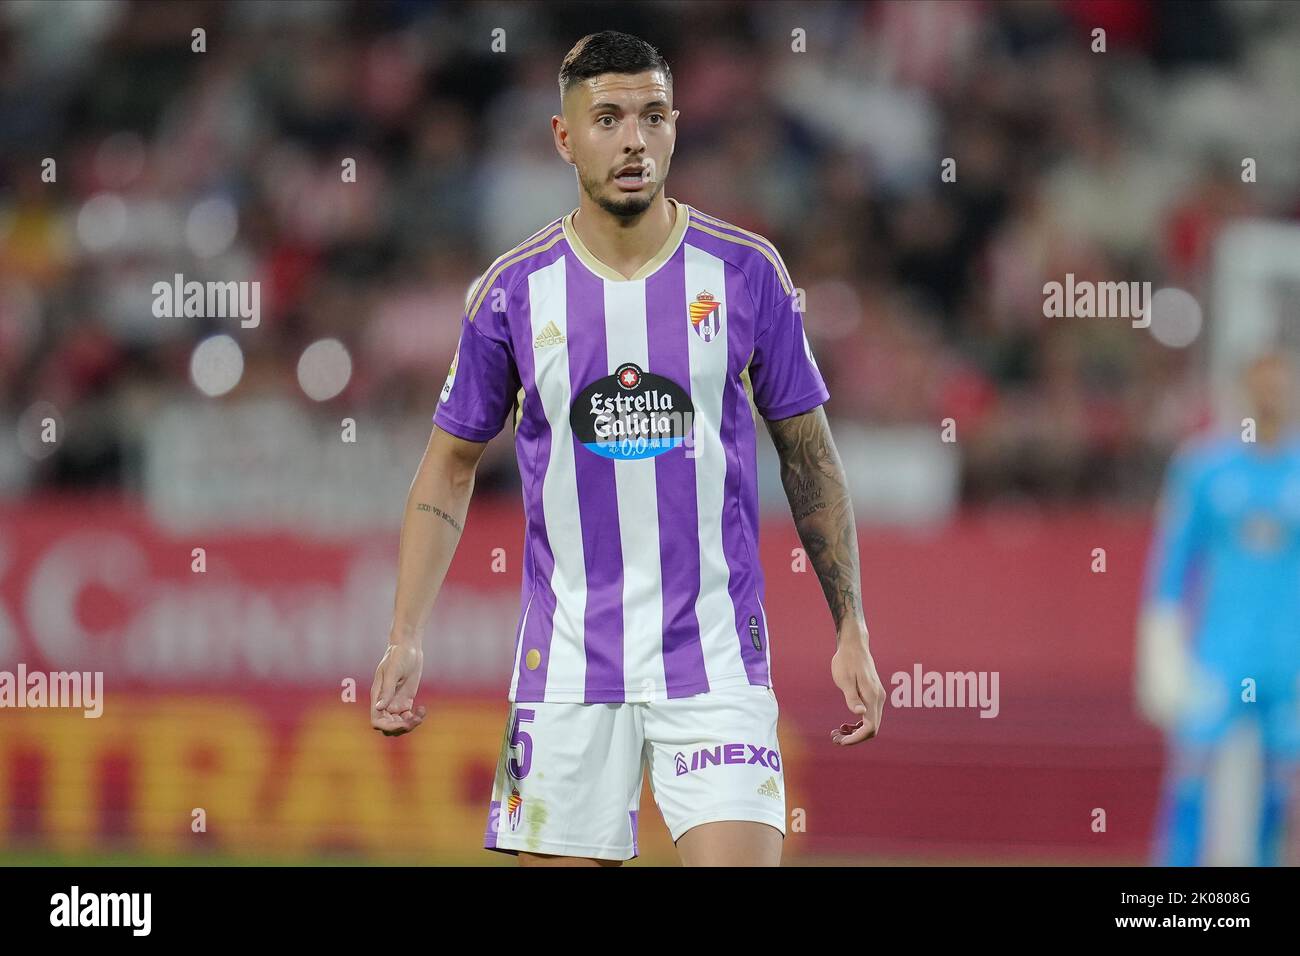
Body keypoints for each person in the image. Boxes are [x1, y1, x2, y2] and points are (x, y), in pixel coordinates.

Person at [370, 30, 884, 867]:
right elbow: (450, 466)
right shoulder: (511, 292)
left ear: (676, 126)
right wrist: (406, 634)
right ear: (564, 138)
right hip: (567, 667)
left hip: (715, 661)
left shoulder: (746, 273)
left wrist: (851, 623)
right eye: (607, 118)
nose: (633, 139)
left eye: (651, 116)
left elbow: (810, 456)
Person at [1138, 351, 1300, 865]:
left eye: (1281, 386)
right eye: (1263, 387)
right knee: (1190, 776)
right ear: (1244, 393)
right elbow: (1172, 563)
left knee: (1281, 789)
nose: (1272, 397)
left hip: (1289, 661)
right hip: (1219, 655)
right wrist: (1160, 648)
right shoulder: (1205, 467)